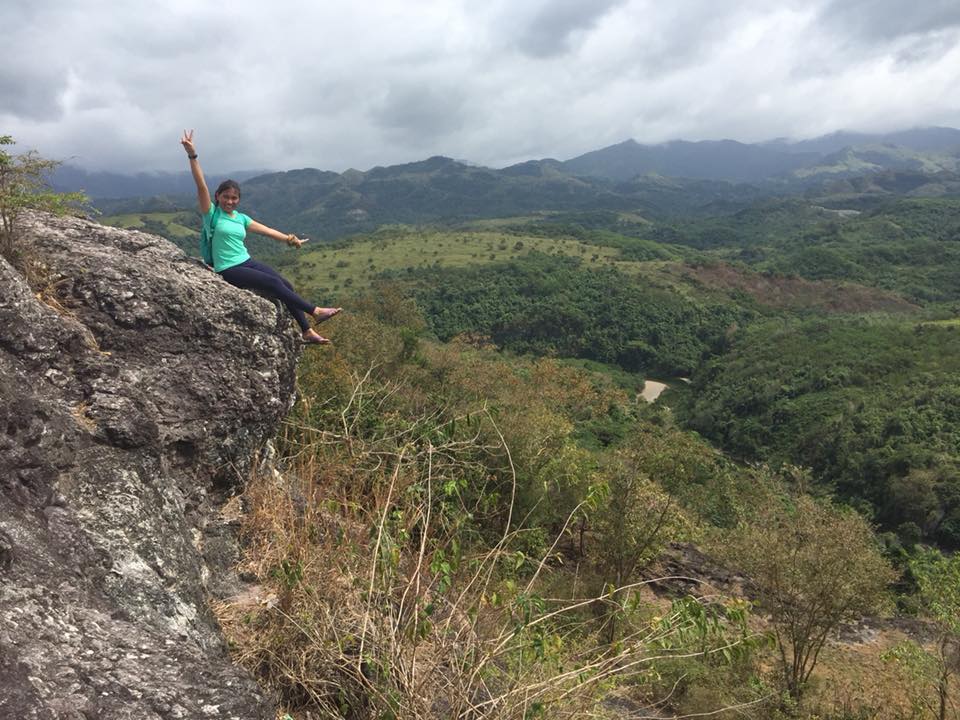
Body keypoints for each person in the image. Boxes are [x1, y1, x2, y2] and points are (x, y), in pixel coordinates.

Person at [180, 129, 340, 344]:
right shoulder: (211, 215)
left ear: (239, 199)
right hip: (228, 268)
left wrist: (289, 239)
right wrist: (192, 155)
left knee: (286, 284)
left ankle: (306, 331)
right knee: (273, 283)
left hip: (246, 262)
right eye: (226, 197)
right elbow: (201, 185)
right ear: (217, 197)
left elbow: (267, 231)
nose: (230, 201)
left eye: (234, 198)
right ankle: (316, 310)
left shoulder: (240, 218)